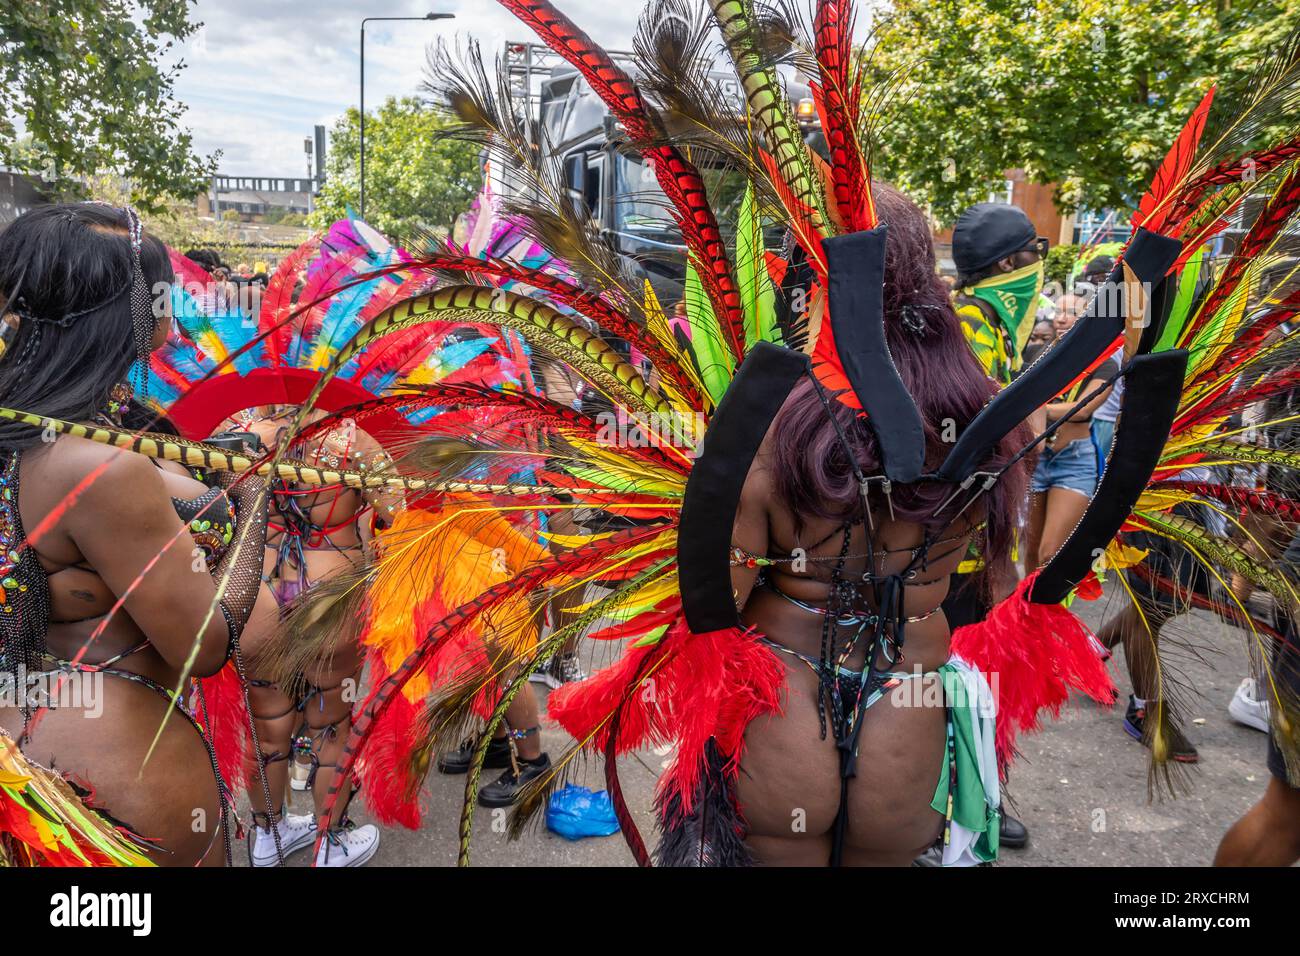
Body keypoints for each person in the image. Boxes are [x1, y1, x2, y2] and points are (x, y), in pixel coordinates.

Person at [0, 203, 268, 866]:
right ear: (112, 314)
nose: (171, 313)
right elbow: (203, 645)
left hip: (29, 748)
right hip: (123, 777)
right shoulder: (99, 469)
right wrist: (255, 500)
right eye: (158, 295)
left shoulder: (39, 433)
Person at [1025, 292, 1117, 567]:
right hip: (1036, 458)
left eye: (1072, 312)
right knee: (1028, 554)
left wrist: (1036, 408)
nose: (1062, 318)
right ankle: (1025, 609)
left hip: (1074, 461)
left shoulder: (1104, 362)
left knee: (1050, 554)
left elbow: (1083, 409)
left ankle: (1045, 606)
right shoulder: (1036, 354)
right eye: (1059, 311)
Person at [952, 202, 1049, 386]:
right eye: (1037, 249)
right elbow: (978, 411)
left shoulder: (983, 319)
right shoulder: (969, 326)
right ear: (1008, 263)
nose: (1040, 261)